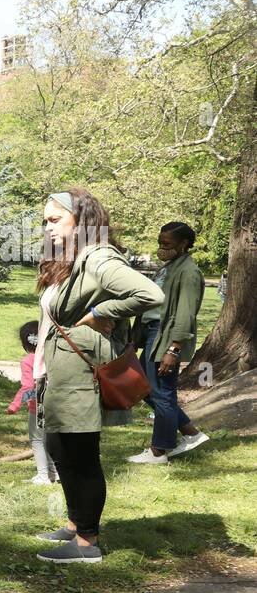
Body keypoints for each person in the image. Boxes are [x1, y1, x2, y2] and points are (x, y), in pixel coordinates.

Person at [33, 188, 163, 564]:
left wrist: (99, 312)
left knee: (80, 453)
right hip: (64, 371)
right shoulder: (71, 258)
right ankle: (76, 524)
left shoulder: (99, 256)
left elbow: (148, 293)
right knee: (60, 447)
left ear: (82, 221)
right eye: (45, 220)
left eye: (55, 219)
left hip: (83, 373)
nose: (48, 227)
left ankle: (87, 544)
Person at [126, 221, 208, 463]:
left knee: (162, 393)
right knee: (143, 388)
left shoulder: (189, 272)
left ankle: (159, 450)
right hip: (152, 333)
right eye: (160, 242)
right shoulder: (168, 268)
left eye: (167, 244)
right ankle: (190, 432)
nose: (162, 248)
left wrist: (174, 349)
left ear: (183, 244)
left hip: (166, 338)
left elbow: (186, 313)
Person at [7, 320, 58, 484]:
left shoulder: (29, 360)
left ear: (25, 343)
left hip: (38, 408)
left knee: (37, 441)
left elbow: (28, 387)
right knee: (50, 441)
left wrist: (14, 405)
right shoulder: (53, 356)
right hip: (57, 405)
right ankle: (55, 473)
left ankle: (43, 476)